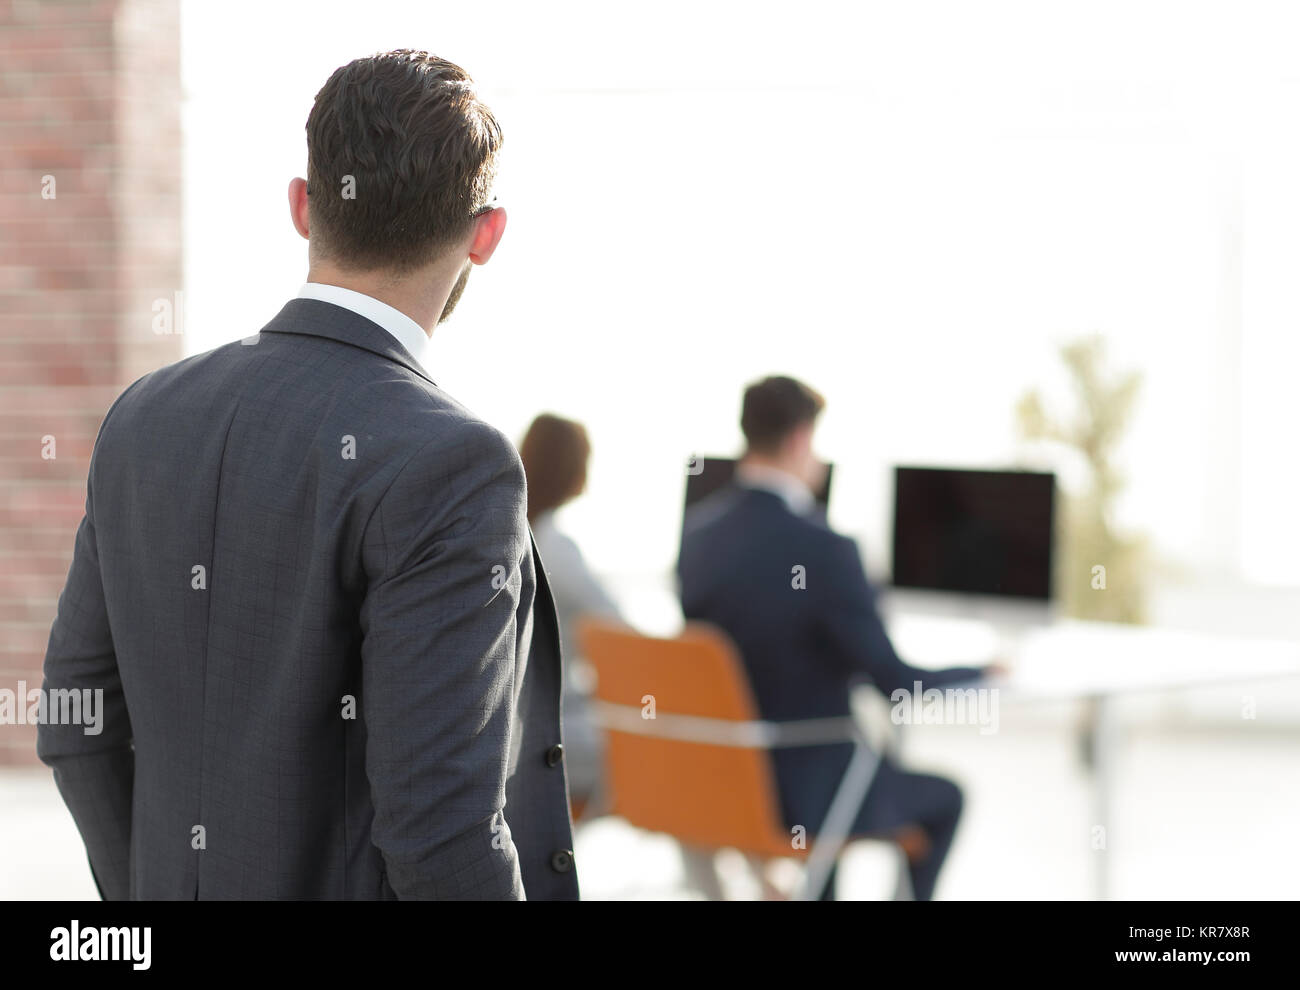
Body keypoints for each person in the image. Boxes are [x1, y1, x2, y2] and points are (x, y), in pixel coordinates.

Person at [36, 50, 577, 900]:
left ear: (301, 205)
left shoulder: (142, 417)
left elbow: (76, 724)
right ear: (487, 232)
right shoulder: (454, 464)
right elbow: (440, 830)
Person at [676, 375, 994, 900]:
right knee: (945, 798)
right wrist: (981, 671)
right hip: (805, 793)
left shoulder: (698, 537)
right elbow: (898, 685)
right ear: (801, 439)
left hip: (720, 784)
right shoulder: (826, 548)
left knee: (848, 768)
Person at [517, 413, 624, 810]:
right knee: (669, 754)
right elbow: (621, 634)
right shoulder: (555, 548)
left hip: (511, 724)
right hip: (544, 730)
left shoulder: (506, 533)